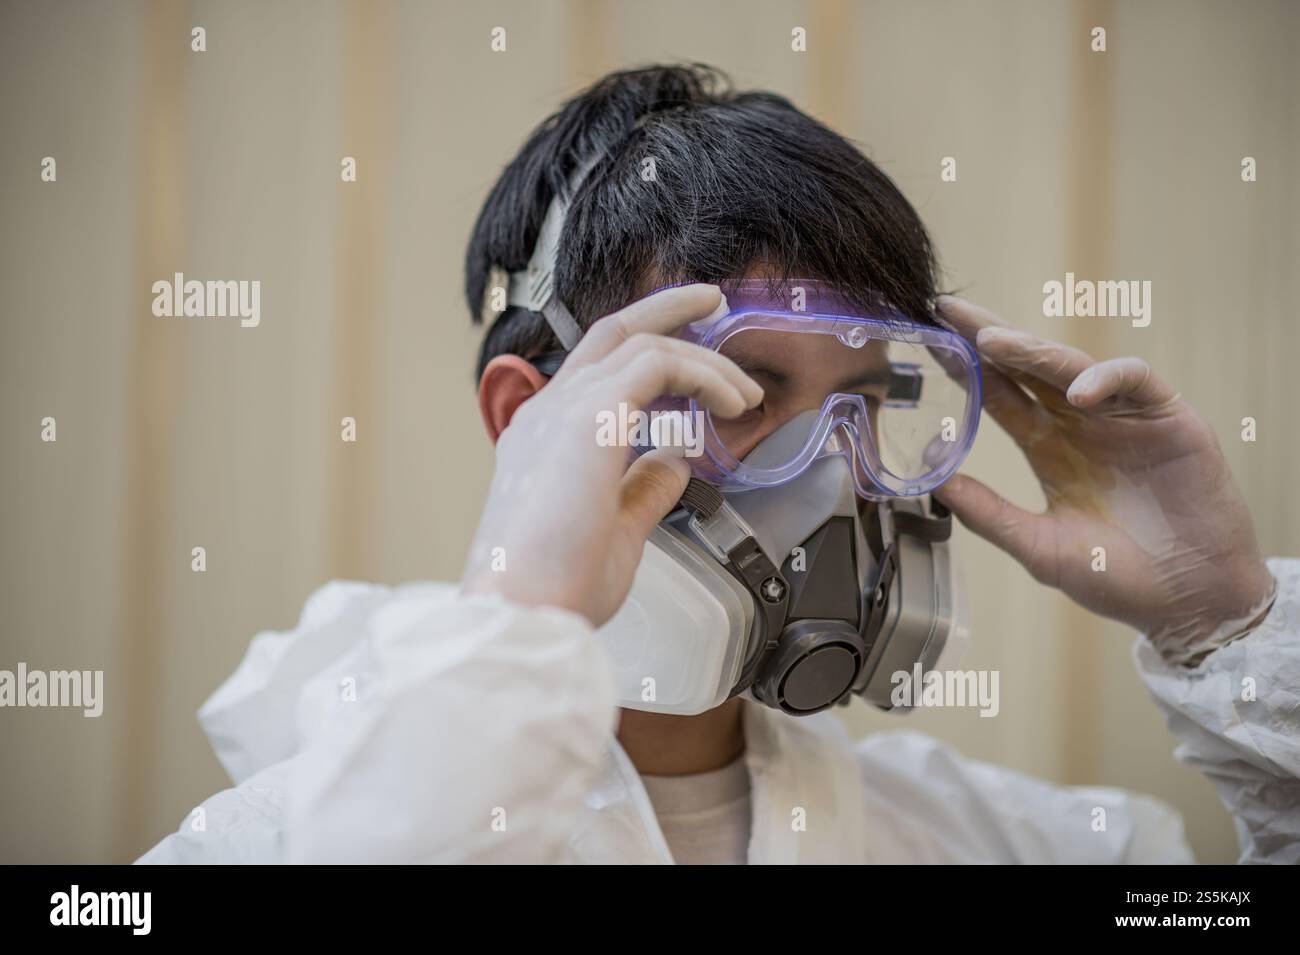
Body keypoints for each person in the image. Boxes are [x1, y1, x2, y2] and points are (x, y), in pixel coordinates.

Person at [139, 65, 1298, 865]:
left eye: (863, 402)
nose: (833, 474)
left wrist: (1228, 626)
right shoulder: (276, 841)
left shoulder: (1020, 845)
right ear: (528, 421)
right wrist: (520, 611)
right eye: (740, 390)